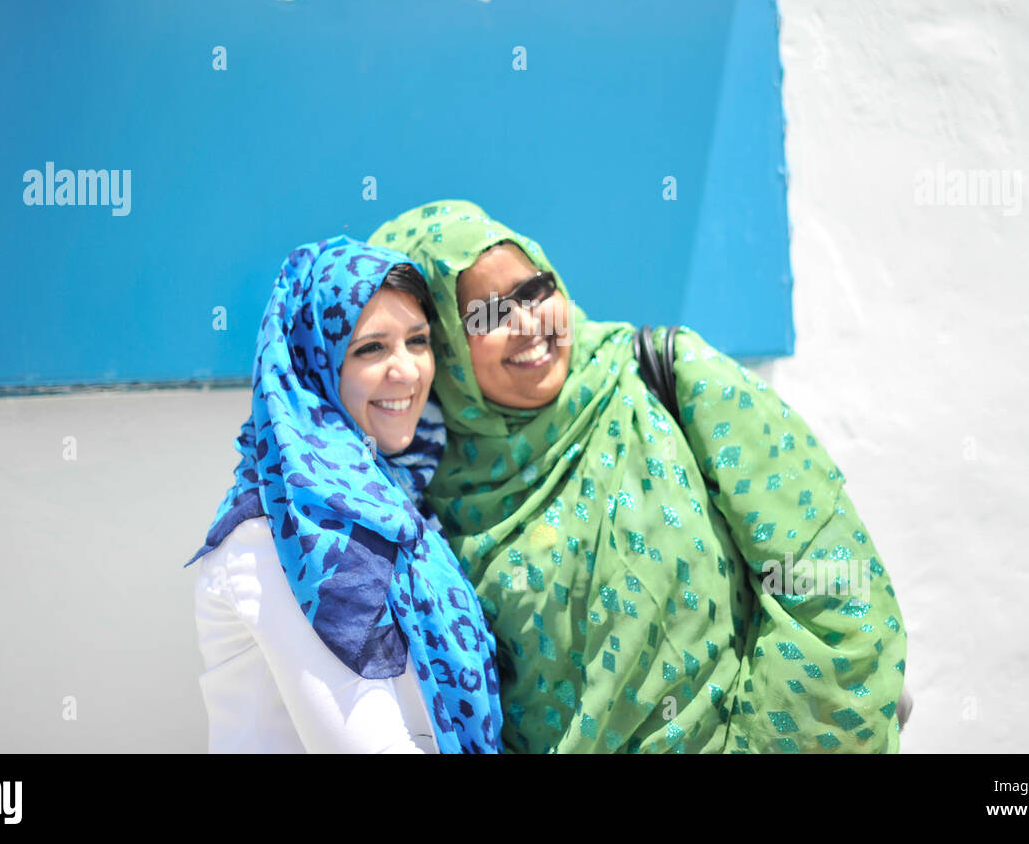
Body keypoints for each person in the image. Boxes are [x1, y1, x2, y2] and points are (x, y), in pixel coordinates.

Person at [370, 201, 908, 753]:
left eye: (535, 290)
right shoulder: (433, 495)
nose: (530, 324)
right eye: (487, 315)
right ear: (444, 349)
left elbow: (835, 593)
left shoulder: (670, 381)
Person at [186, 236, 502, 754]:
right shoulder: (282, 532)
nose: (406, 370)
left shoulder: (400, 501)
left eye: (418, 341)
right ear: (313, 366)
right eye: (370, 348)